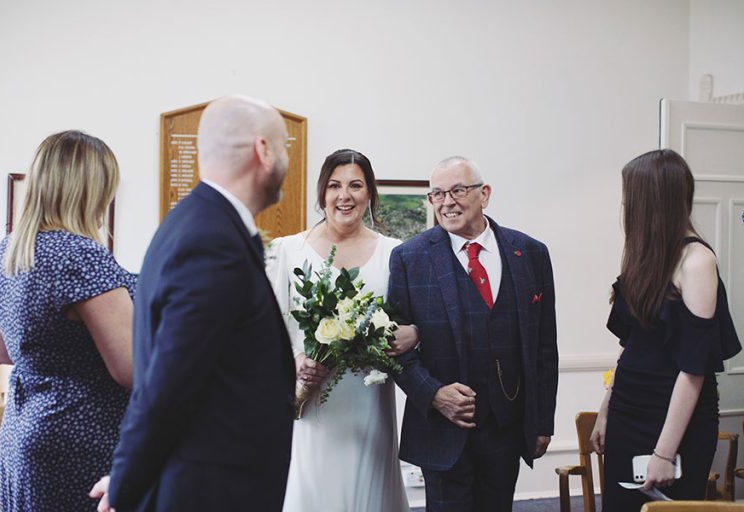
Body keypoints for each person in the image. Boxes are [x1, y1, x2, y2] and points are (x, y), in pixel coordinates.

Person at [90, 95, 296, 512]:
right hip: (211, 491)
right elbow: (167, 382)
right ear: (263, 150)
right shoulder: (212, 240)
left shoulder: (200, 223)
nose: (287, 160)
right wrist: (127, 482)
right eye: (284, 146)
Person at [387, 156, 558, 512]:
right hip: (442, 431)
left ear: (485, 194)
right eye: (437, 194)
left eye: (458, 190)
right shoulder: (409, 257)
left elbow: (544, 346)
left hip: (506, 429)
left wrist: (542, 421)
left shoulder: (530, 253)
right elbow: (393, 348)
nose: (447, 202)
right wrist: (434, 394)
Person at [0, 130, 135, 511]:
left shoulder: (7, 252)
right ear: (91, 190)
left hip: (23, 431)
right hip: (80, 437)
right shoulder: (81, 256)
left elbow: (0, 352)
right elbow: (132, 369)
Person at [266, 148, 417, 512]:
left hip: (369, 402)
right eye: (334, 186)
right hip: (311, 400)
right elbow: (267, 326)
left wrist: (415, 333)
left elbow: (415, 319)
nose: (344, 195)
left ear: (369, 194)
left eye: (355, 185)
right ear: (322, 194)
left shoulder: (395, 254)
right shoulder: (287, 250)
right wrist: (298, 359)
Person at [590, 149, 741, 510]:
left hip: (674, 422)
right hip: (628, 410)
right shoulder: (647, 257)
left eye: (631, 199)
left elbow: (694, 368)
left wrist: (663, 451)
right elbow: (632, 347)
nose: (626, 208)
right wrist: (606, 409)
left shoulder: (697, 262)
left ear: (653, 202)